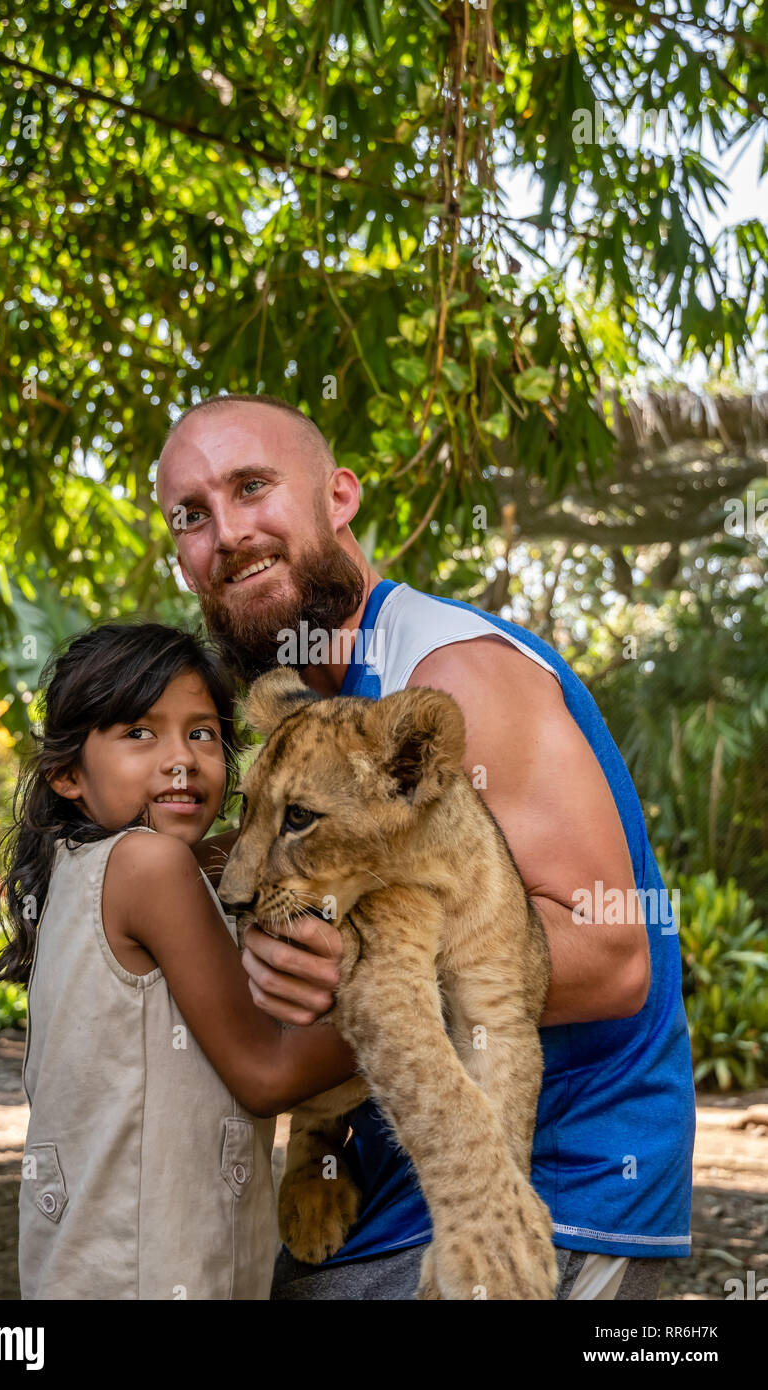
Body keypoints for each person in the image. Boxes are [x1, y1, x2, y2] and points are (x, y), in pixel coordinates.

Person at [155, 392, 696, 1302]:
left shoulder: (449, 673)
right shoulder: (306, 710)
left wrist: (350, 970)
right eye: (192, 516)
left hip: (558, 1189)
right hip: (393, 1191)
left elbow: (609, 959)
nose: (229, 533)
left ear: (339, 498)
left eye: (253, 486)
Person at [0, 620, 355, 1300]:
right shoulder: (148, 867)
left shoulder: (86, 868)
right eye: (138, 733)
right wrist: (421, 1005)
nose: (180, 758)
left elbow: (234, 853)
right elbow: (268, 1075)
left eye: (202, 733)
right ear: (67, 773)